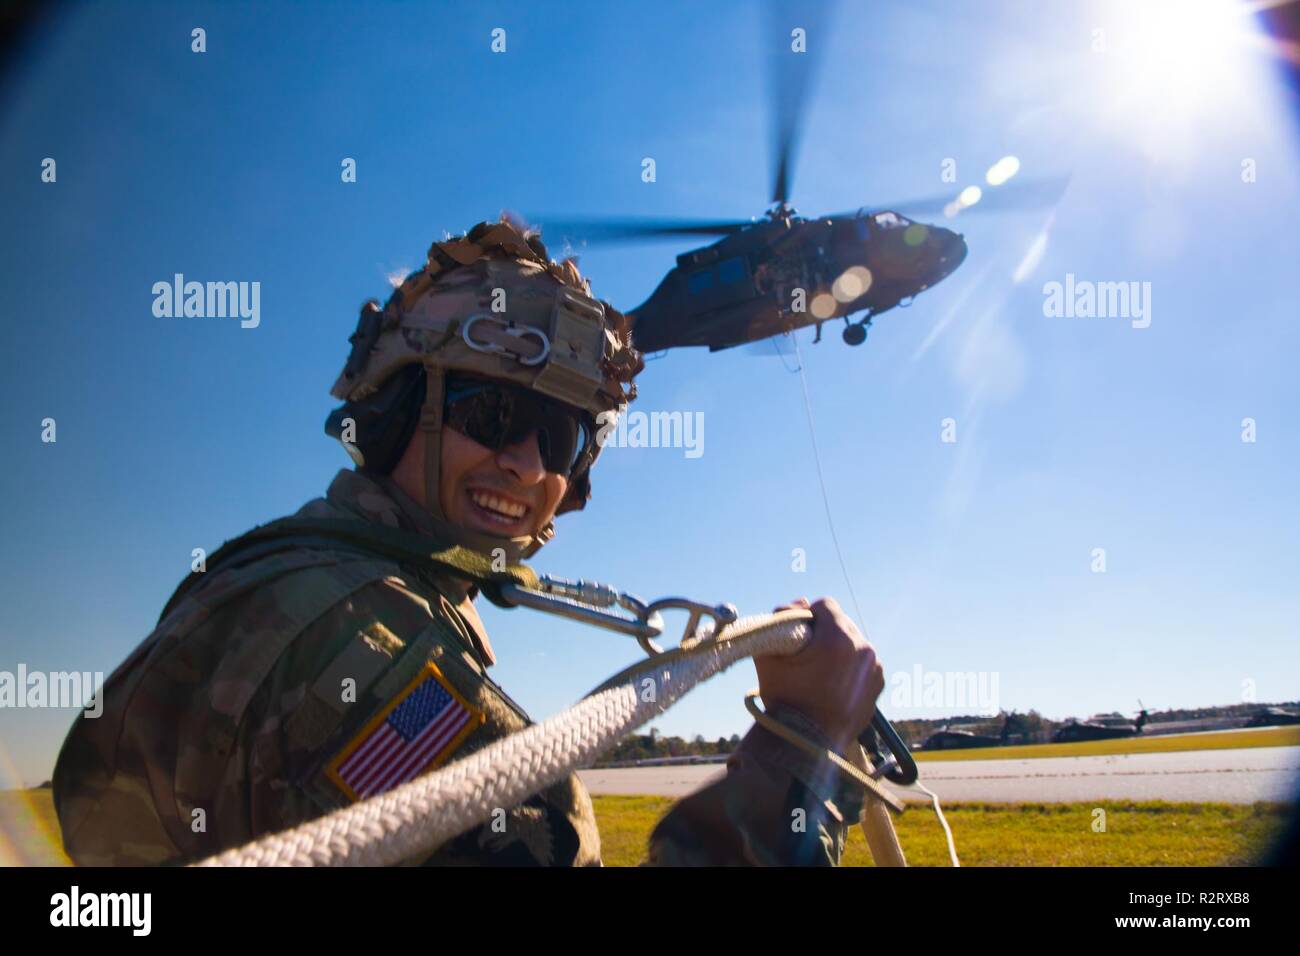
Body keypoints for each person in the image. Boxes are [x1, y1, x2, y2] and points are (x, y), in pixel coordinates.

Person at [52, 218, 885, 866]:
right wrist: (804, 742)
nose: (523, 464)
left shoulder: (270, 579)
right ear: (390, 411)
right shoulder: (372, 652)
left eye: (558, 439)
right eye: (491, 415)